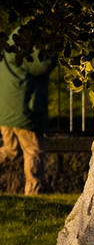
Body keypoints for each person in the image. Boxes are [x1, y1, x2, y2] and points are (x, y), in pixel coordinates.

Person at [0, 37, 57, 195]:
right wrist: (55, 51)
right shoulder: (29, 40)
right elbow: (41, 66)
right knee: (34, 150)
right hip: (23, 109)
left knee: (10, 150)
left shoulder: (14, 37)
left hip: (7, 109)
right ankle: (34, 192)